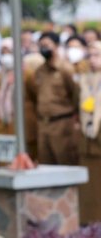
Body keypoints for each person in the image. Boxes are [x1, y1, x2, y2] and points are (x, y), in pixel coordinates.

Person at [28, 32, 79, 165]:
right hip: (43, 124)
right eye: (41, 45)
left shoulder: (65, 69)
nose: (43, 48)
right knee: (46, 164)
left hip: (62, 123)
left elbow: (75, 94)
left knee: (65, 161)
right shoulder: (40, 71)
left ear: (56, 46)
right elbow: (35, 95)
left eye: (47, 45)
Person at [77, 41, 101, 224]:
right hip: (88, 138)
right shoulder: (84, 79)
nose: (93, 60)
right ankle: (90, 222)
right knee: (90, 186)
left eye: (97, 55)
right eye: (90, 55)